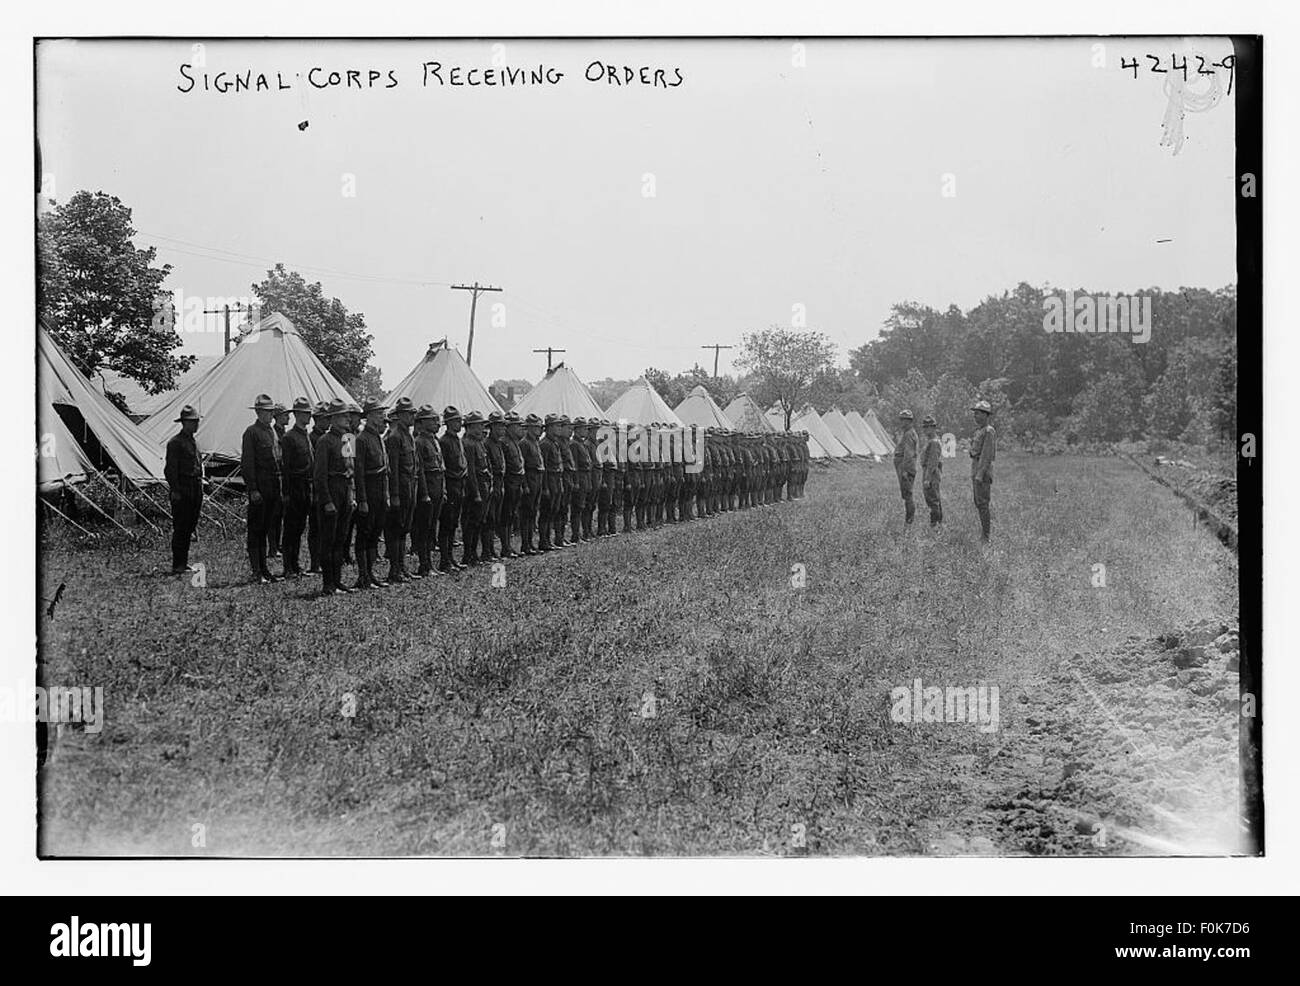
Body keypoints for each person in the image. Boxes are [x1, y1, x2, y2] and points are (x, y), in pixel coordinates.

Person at [313, 398, 356, 597]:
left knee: (341, 539)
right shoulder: (325, 441)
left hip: (345, 491)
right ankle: (328, 583)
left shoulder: (349, 438)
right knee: (328, 540)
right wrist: (327, 501)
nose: (347, 419)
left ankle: (338, 580)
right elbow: (319, 475)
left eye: (347, 415)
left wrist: (352, 494)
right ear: (332, 419)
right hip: (331, 490)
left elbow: (350, 469)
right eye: (343, 416)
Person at [241, 393, 283, 583]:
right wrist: (253, 489)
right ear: (258, 412)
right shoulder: (251, 432)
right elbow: (248, 463)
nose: (269, 415)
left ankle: (264, 569)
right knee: (256, 529)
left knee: (266, 527)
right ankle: (256, 570)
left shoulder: (272, 432)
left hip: (273, 486)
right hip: (260, 486)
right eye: (265, 412)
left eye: (271, 412)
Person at [353, 398, 390, 589]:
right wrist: (362, 499)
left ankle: (371, 573)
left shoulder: (378, 438)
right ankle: (363, 575)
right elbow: (357, 472)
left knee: (375, 533)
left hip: (380, 492)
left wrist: (387, 495)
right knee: (365, 533)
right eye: (378, 413)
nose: (382, 416)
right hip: (368, 490)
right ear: (368, 417)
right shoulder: (361, 439)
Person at [164, 404, 203, 575]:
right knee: (181, 526)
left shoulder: (193, 441)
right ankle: (178, 564)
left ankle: (184, 562)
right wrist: (176, 490)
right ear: (184, 423)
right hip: (183, 487)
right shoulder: (175, 443)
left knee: (190, 525)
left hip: (195, 486)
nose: (196, 424)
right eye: (192, 421)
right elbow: (170, 469)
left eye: (196, 421)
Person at [384, 396, 419, 583]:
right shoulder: (395, 436)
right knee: (396, 528)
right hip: (401, 487)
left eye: (412, 414)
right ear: (401, 415)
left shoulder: (408, 435)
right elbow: (393, 469)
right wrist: (395, 494)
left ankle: (402, 567)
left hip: (410, 486)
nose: (412, 417)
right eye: (409, 414)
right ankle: (394, 570)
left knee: (404, 528)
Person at [280, 397, 315, 577]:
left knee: (300, 526)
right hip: (294, 486)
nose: (308, 416)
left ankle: (296, 564)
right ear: (297, 415)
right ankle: (288, 567)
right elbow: (285, 468)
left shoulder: (305, 436)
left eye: (309, 413)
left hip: (306, 485)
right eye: (305, 413)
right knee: (291, 528)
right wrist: (286, 492)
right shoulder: (289, 438)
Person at [412, 405, 444, 577]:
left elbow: (440, 467)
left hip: (437, 487)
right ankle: (424, 564)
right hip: (428, 489)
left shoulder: (434, 440)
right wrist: (424, 493)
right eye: (431, 420)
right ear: (422, 422)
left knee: (432, 527)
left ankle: (430, 564)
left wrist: (443, 490)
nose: (435, 423)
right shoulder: (419, 442)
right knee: (424, 528)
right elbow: (421, 470)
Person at [438, 406, 468, 572]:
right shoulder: (444, 442)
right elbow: (444, 467)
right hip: (450, 485)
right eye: (456, 421)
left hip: (459, 484)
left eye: (459, 420)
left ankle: (450, 557)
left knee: (453, 524)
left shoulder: (457, 440)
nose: (459, 423)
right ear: (448, 423)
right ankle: (444, 560)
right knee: (446, 524)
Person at [461, 410, 491, 566]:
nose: (481, 428)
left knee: (479, 522)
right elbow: (471, 471)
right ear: (470, 427)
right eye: (478, 425)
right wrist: (476, 493)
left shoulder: (478, 442)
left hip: (483, 485)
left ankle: (474, 554)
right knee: (471, 523)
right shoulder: (468, 443)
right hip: (475, 487)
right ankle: (468, 554)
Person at [306, 401, 330, 574]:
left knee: (327, 528)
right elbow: (316, 469)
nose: (327, 422)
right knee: (316, 527)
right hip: (318, 487)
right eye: (324, 418)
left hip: (332, 487)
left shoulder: (333, 438)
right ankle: (315, 562)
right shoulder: (313, 438)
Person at [483, 411, 508, 560]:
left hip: (500, 482)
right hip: (492, 483)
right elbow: (489, 467)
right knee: (490, 518)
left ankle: (492, 550)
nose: (502, 429)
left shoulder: (498, 443)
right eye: (499, 426)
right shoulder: (487, 444)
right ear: (491, 427)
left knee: (496, 517)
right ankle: (487, 551)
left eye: (503, 427)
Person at [970, 400, 996, 542]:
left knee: (983, 503)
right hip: (975, 467)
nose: (975, 416)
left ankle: (986, 536)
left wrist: (980, 475)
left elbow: (986, 455)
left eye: (978, 413)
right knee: (978, 502)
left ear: (986, 415)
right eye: (975, 413)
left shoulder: (988, 431)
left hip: (982, 471)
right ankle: (983, 533)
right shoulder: (978, 431)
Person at [501, 411, 526, 558]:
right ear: (509, 427)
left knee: (511, 515)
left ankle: (508, 546)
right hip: (509, 482)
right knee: (506, 515)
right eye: (516, 426)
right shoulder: (504, 443)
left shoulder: (514, 443)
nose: (519, 429)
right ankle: (505, 547)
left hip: (516, 482)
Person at [519, 413, 544, 554]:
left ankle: (530, 543)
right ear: (528, 428)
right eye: (535, 427)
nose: (538, 429)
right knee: (526, 513)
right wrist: (525, 485)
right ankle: (525, 544)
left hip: (537, 478)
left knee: (533, 513)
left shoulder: (535, 442)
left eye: (539, 427)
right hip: (530, 478)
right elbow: (523, 466)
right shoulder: (524, 443)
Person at [267, 403, 290, 559]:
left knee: (281, 514)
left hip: (286, 477)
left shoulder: (284, 433)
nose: (288, 417)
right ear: (277, 417)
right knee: (274, 515)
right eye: (285, 415)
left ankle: (278, 545)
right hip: (277, 477)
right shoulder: (274, 433)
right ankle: (273, 547)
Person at [539, 414, 564, 550]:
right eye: (556, 426)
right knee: (546, 512)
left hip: (557, 480)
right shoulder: (545, 444)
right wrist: (546, 487)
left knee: (554, 511)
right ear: (549, 428)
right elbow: (545, 469)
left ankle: (549, 541)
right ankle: (544, 541)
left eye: (560, 426)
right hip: (550, 481)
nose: (559, 429)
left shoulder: (554, 443)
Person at [894, 409, 919, 526]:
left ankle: (909, 521)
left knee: (908, 495)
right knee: (906, 494)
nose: (902, 422)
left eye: (905, 420)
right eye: (901, 419)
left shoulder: (909, 434)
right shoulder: (907, 433)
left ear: (910, 421)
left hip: (905, 468)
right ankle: (909, 520)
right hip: (903, 466)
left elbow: (908, 454)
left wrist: (904, 470)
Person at [920, 414, 943, 527]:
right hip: (928, 472)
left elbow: (933, 462)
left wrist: (927, 479)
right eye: (925, 427)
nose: (926, 429)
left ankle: (935, 526)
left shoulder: (933, 442)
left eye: (929, 426)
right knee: (933, 500)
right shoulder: (930, 441)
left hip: (932, 474)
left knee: (933, 501)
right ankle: (937, 525)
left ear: (934, 427)